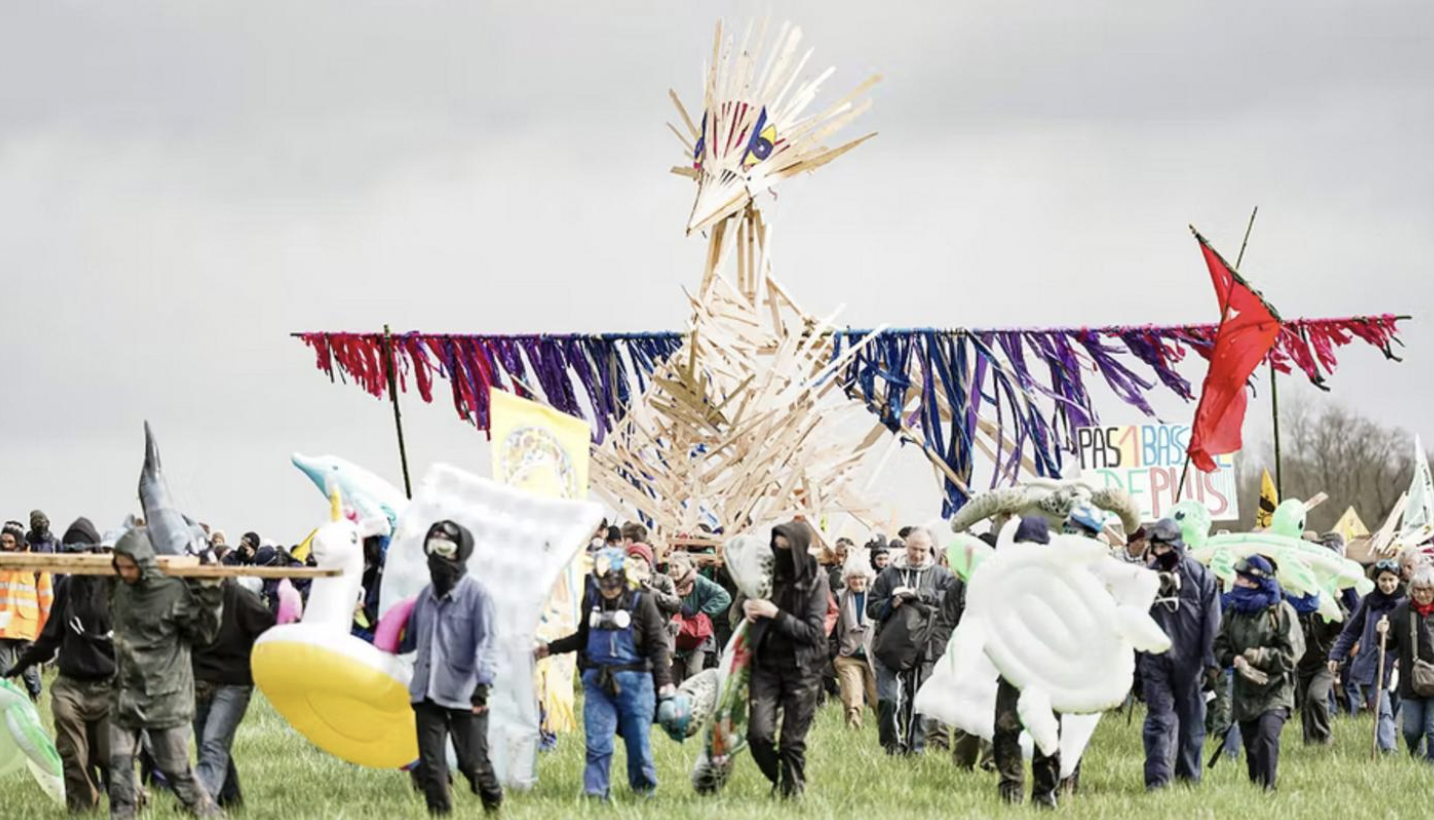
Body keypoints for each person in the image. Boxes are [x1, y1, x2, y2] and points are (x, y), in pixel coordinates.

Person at [108, 527, 224, 819]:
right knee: (119, 768)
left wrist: (208, 586)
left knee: (175, 771)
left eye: (129, 566)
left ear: (143, 562)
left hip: (165, 695)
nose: (125, 572)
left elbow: (205, 632)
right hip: (125, 691)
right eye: (119, 566)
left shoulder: (171, 591)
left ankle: (210, 814)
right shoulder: (120, 588)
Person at [539, 547, 673, 800]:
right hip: (598, 682)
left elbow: (657, 644)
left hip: (636, 684)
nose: (608, 590)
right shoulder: (592, 598)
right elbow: (584, 637)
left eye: (613, 584)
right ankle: (595, 792)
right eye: (604, 585)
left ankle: (644, 791)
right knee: (598, 742)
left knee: (638, 745)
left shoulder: (642, 601)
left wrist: (665, 684)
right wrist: (550, 648)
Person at [3, 518, 114, 812]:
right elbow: (51, 636)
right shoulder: (67, 588)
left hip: (110, 687)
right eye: (71, 552)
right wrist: (19, 667)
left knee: (109, 756)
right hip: (70, 686)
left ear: (96, 551)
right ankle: (81, 809)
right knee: (73, 753)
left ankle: (127, 802)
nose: (77, 558)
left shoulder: (116, 587)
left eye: (83, 552)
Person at [397, 520, 502, 815]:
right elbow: (411, 640)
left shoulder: (478, 596)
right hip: (426, 692)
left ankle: (493, 799)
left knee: (474, 766)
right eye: (432, 548)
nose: (437, 556)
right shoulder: (424, 597)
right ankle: (440, 813)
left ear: (460, 553)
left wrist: (483, 685)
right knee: (432, 768)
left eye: (445, 549)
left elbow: (487, 642)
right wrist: (382, 635)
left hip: (466, 694)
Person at [742, 521, 828, 798]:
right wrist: (745, 606)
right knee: (758, 735)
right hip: (765, 665)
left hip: (802, 668)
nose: (779, 555)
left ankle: (792, 795)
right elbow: (741, 603)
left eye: (785, 550)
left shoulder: (816, 579)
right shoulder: (767, 570)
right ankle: (783, 779)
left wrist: (774, 614)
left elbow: (813, 633)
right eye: (775, 548)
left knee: (792, 741)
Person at [1139, 518, 1220, 790]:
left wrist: (1212, 664)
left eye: (1164, 547)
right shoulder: (1145, 578)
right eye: (1155, 547)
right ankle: (1158, 783)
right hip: (1156, 661)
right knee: (1159, 722)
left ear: (1176, 545)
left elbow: (1213, 623)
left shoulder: (1201, 577)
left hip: (1191, 663)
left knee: (1191, 726)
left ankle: (1188, 779)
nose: (1159, 553)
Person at [1213, 555, 1304, 791]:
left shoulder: (1281, 611)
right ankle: (1257, 790)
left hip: (1275, 688)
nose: (1236, 582)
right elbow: (1219, 645)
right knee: (1252, 747)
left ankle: (1269, 789)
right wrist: (1235, 660)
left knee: (1267, 736)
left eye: (1242, 578)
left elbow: (1292, 653)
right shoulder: (1233, 610)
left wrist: (1259, 656)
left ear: (1256, 582)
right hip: (1245, 690)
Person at [989, 517, 1062, 807]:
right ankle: (1010, 789)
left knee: (1048, 734)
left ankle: (1045, 794)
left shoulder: (1060, 581)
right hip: (1013, 667)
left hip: (1049, 670)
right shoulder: (1004, 579)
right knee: (1005, 729)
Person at [867, 526, 955, 755]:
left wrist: (920, 594)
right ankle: (892, 747)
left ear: (930, 550)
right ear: (906, 547)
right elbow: (871, 607)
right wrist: (890, 604)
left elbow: (950, 601)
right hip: (891, 645)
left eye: (922, 550)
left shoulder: (941, 575)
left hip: (924, 647)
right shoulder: (889, 574)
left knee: (919, 702)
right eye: (913, 549)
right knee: (888, 699)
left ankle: (915, 749)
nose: (917, 554)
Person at [191, 574, 275, 809]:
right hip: (198, 682)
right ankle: (231, 800)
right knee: (208, 746)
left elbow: (268, 627)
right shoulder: (187, 596)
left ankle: (200, 802)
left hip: (233, 683)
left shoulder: (239, 597)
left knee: (213, 743)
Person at [1329, 558, 1404, 753]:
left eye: (1391, 580)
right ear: (1376, 581)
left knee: (1394, 709)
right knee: (1382, 708)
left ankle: (1388, 739)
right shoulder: (1368, 603)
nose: (1387, 584)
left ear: (1398, 580)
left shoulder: (1405, 604)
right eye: (1383, 580)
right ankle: (1389, 750)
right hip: (1372, 665)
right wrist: (1336, 655)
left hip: (1398, 666)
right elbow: (1350, 631)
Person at [1292, 534, 1347, 746]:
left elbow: (1342, 624)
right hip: (1304, 659)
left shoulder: (1328, 593)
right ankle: (1309, 742)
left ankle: (1325, 737)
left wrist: (1337, 602)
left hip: (1327, 659)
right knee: (1306, 702)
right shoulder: (1298, 596)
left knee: (1316, 696)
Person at [0, 520, 53, 702]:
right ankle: (7, 703)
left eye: (10, 542)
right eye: (3, 541)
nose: (6, 546)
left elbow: (46, 598)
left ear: (20, 541)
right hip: (2, 626)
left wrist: (49, 628)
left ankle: (35, 697)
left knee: (29, 672)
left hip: (26, 626)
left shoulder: (35, 564)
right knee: (3, 671)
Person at [1388, 563, 1434, 760]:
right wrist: (1382, 633)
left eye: (1428, 590)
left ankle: (1430, 766)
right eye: (1418, 590)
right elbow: (1388, 645)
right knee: (1411, 731)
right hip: (1410, 680)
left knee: (1433, 730)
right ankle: (1418, 759)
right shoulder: (1400, 612)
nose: (1422, 595)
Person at [667, 551, 731, 682]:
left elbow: (724, 597)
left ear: (686, 567)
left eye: (677, 566)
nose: (673, 570)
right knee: (672, 678)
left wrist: (704, 613)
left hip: (698, 637)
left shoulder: (698, 581)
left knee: (693, 673)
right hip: (676, 637)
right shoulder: (666, 583)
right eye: (671, 566)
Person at [833, 556, 877, 729]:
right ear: (847, 579)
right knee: (853, 701)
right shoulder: (839, 597)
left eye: (861, 577)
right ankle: (853, 734)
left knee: (878, 701)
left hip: (873, 656)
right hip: (848, 655)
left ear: (867, 578)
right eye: (853, 578)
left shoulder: (875, 597)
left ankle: (887, 738)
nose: (858, 581)